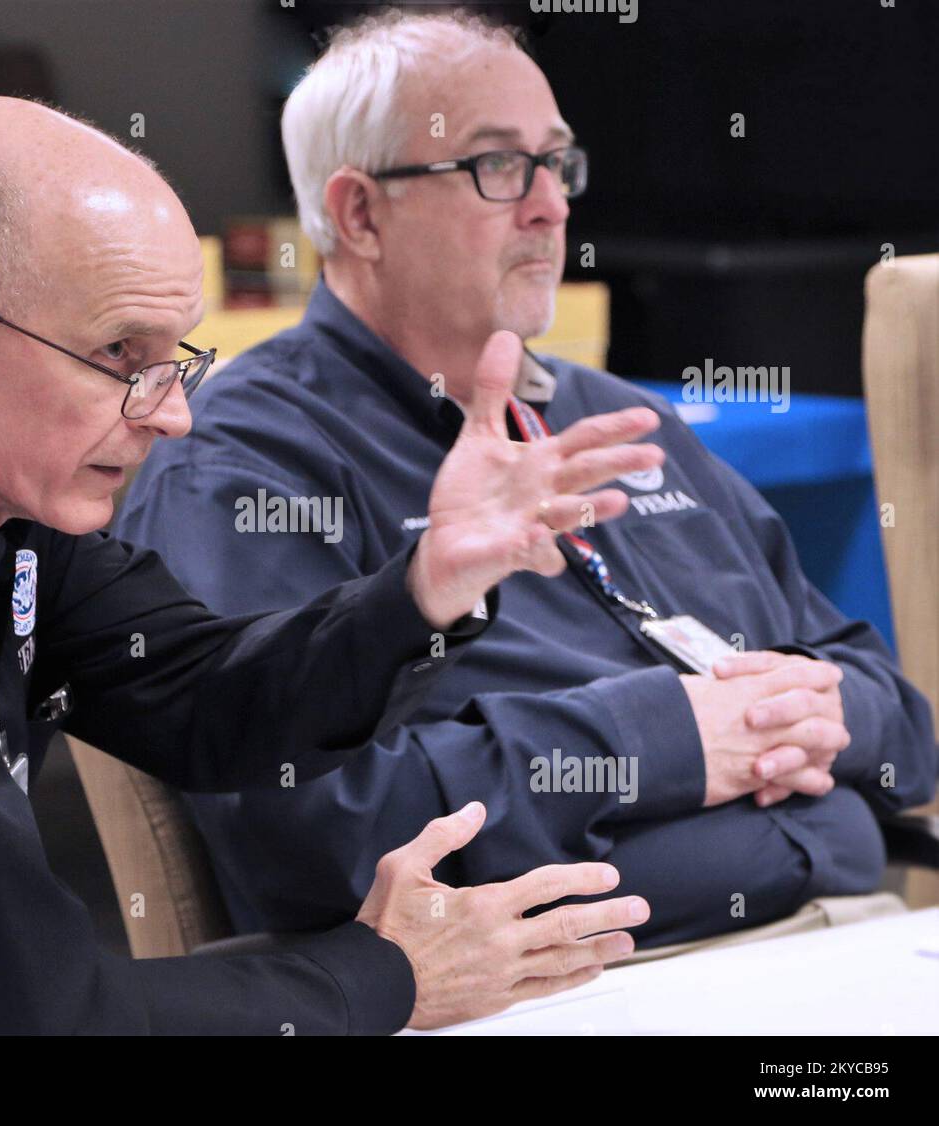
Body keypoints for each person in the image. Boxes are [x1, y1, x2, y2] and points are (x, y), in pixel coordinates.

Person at [0, 96, 667, 1035]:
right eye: (124, 356)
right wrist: (386, 974)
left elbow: (206, 698)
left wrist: (426, 584)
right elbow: (37, 1018)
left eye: (178, 358)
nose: (172, 413)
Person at [116, 9, 937, 949]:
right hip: (566, 985)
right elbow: (312, 830)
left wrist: (818, 714)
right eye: (497, 166)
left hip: (844, 938)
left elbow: (903, 727)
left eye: (559, 163)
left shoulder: (617, 416)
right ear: (359, 213)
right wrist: (660, 742)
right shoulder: (243, 460)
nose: (552, 204)